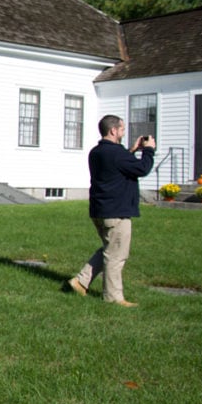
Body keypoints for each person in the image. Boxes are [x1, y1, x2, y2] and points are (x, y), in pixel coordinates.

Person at [67, 115, 156, 307]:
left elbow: (119, 167)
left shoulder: (96, 152)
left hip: (99, 210)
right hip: (116, 212)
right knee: (116, 255)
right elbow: (142, 169)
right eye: (122, 129)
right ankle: (113, 298)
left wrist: (132, 150)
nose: (123, 133)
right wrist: (148, 151)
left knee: (110, 248)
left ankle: (81, 281)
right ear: (113, 130)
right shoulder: (116, 154)